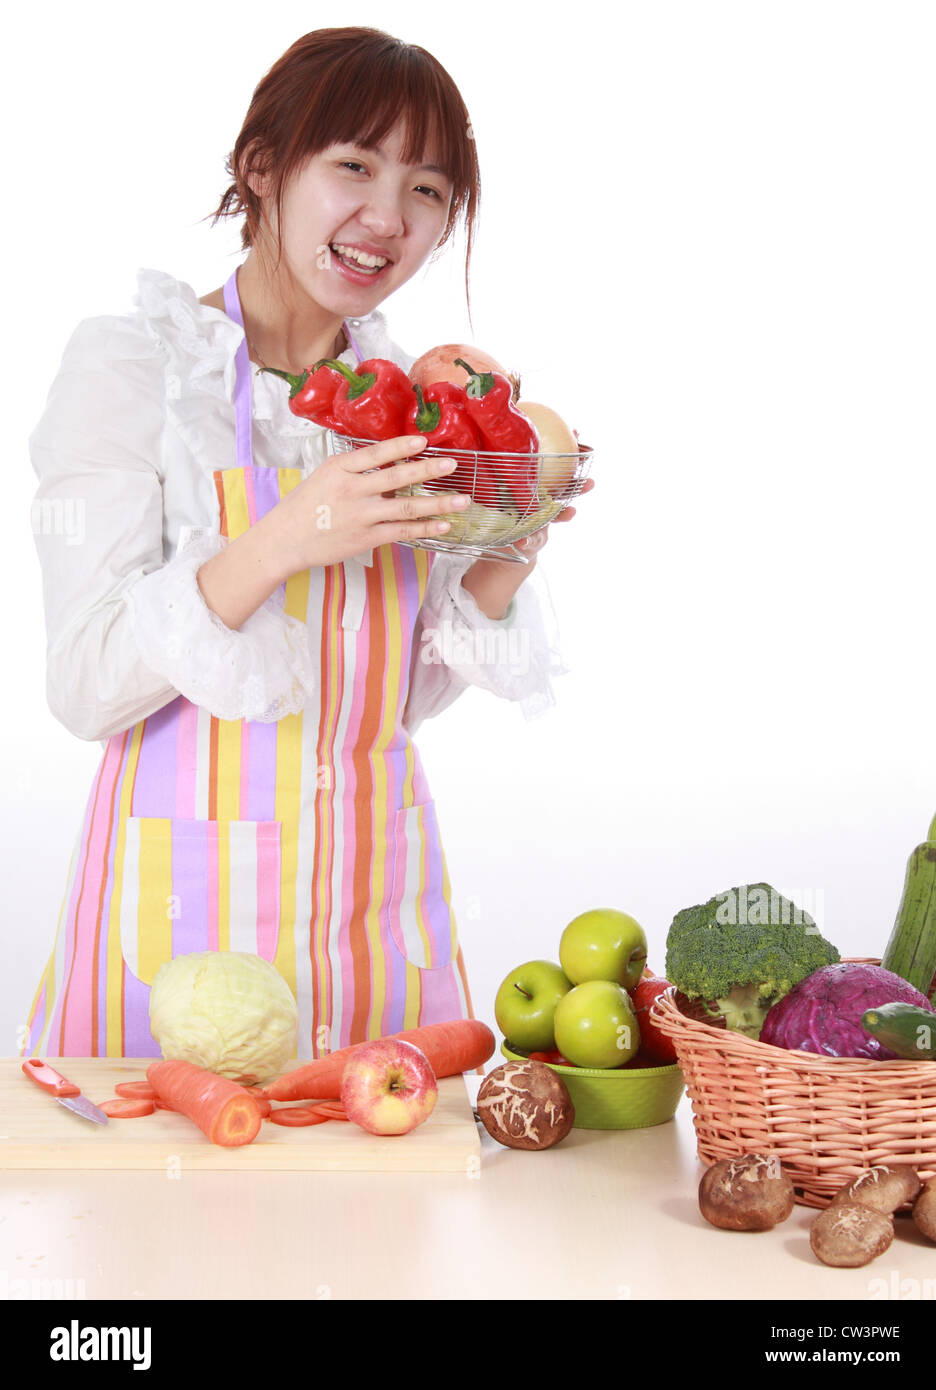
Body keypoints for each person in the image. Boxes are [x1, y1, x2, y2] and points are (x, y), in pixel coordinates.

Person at [20, 26, 591, 1061]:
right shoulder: (138, 369)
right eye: (354, 167)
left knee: (387, 1217)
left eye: (426, 189)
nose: (388, 219)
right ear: (262, 166)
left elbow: (385, 700)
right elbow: (84, 684)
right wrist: (281, 539)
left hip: (374, 922)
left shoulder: (418, 396)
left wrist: (509, 545)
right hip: (181, 942)